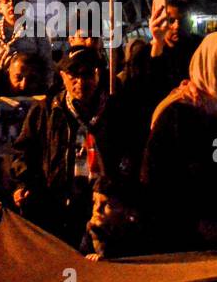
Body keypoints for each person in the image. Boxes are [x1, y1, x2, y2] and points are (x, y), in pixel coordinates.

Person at [141, 31, 217, 252]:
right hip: (186, 246)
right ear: (210, 66)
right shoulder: (177, 114)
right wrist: (205, 226)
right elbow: (157, 185)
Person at [10, 46, 132, 246]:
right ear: (63, 76)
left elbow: (128, 157)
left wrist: (113, 189)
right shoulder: (46, 111)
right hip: (55, 208)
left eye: (87, 74)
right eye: (73, 75)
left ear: (97, 74)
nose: (81, 82)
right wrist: (23, 184)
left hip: (100, 212)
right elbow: (23, 152)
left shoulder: (116, 111)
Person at [0, 0, 51, 93]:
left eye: (17, 0)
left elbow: (47, 63)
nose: (12, 4)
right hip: (3, 91)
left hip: (33, 90)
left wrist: (46, 89)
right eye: (6, 0)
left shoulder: (38, 31)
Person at [146, 0, 200, 105]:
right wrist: (157, 42)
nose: (177, 26)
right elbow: (149, 86)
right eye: (171, 21)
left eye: (183, 21)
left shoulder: (201, 46)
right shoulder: (148, 51)